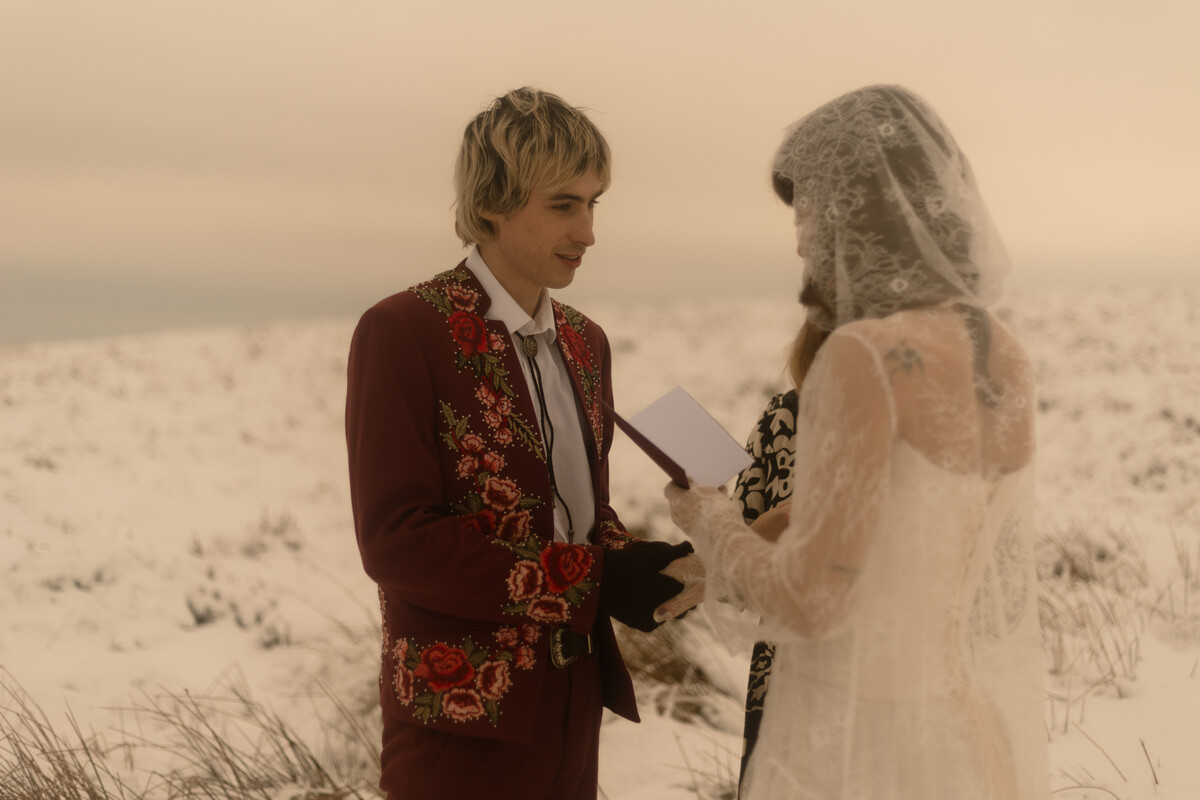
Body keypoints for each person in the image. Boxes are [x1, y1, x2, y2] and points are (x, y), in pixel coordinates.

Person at [665, 85, 1050, 799]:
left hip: (851, 749)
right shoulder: (1004, 352)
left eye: (808, 209)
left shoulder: (863, 357)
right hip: (960, 744)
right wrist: (782, 528)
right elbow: (970, 568)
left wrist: (711, 522)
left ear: (854, 210)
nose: (803, 240)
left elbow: (812, 603)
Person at [346, 87, 694, 800]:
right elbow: (396, 542)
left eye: (594, 203)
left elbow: (576, 516)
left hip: (572, 705)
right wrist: (592, 582)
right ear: (491, 208)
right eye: (564, 205)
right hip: (460, 718)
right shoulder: (404, 330)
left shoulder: (584, 342)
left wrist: (649, 568)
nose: (588, 230)